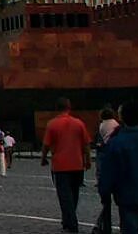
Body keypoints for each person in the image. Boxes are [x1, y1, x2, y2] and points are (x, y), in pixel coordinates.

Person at [98, 102, 138, 234]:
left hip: (127, 196)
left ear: (122, 118)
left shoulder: (115, 144)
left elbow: (108, 172)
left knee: (129, 229)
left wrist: (104, 193)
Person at [42, 97, 92, 233]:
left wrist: (43, 158)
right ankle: (68, 218)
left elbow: (46, 144)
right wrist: (88, 160)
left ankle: (71, 222)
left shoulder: (52, 124)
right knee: (74, 194)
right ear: (69, 107)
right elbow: (86, 144)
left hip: (60, 166)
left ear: (56, 109)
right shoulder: (79, 123)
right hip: (77, 164)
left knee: (64, 196)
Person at [95, 107, 122, 234]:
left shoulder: (102, 126)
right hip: (118, 164)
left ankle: (104, 227)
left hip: (105, 156)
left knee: (106, 203)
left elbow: (100, 142)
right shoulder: (117, 125)